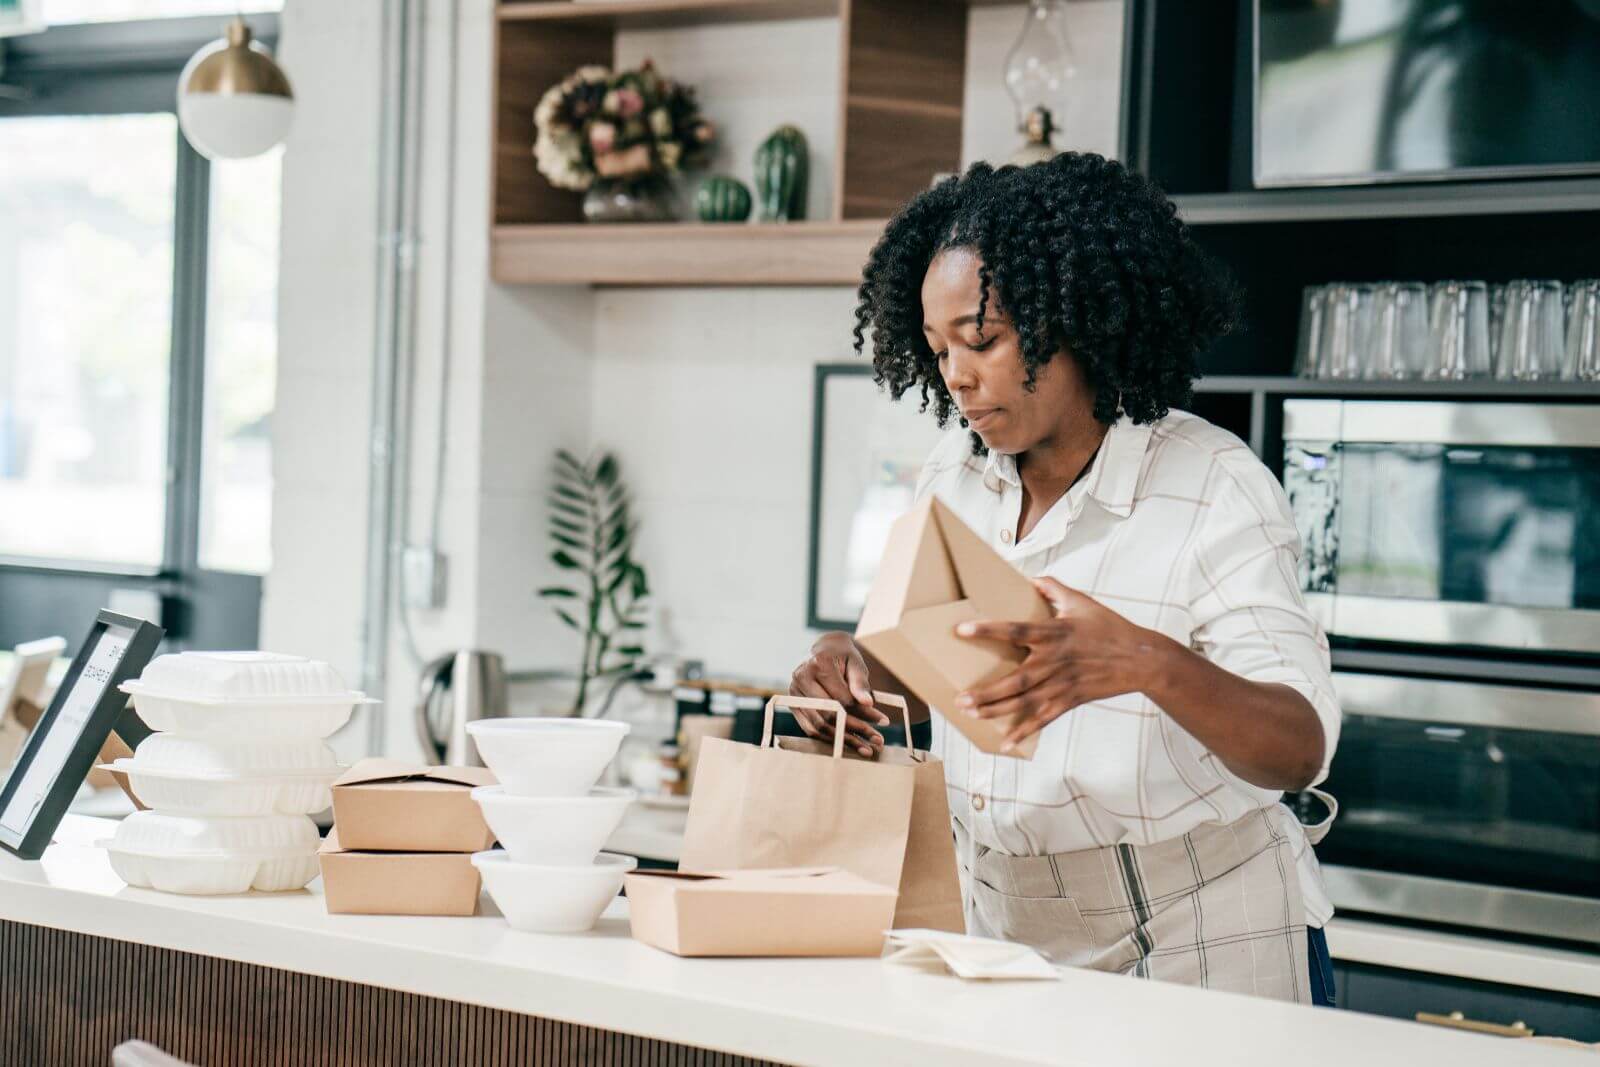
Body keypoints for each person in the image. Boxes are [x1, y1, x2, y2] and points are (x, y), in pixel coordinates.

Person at [788, 153, 1340, 1005]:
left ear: (1073, 317)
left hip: (1202, 941)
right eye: (939, 352)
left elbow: (1296, 747)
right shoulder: (953, 478)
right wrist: (851, 670)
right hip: (1001, 938)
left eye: (982, 340)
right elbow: (931, 671)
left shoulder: (1213, 484)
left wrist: (1144, 661)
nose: (958, 376)